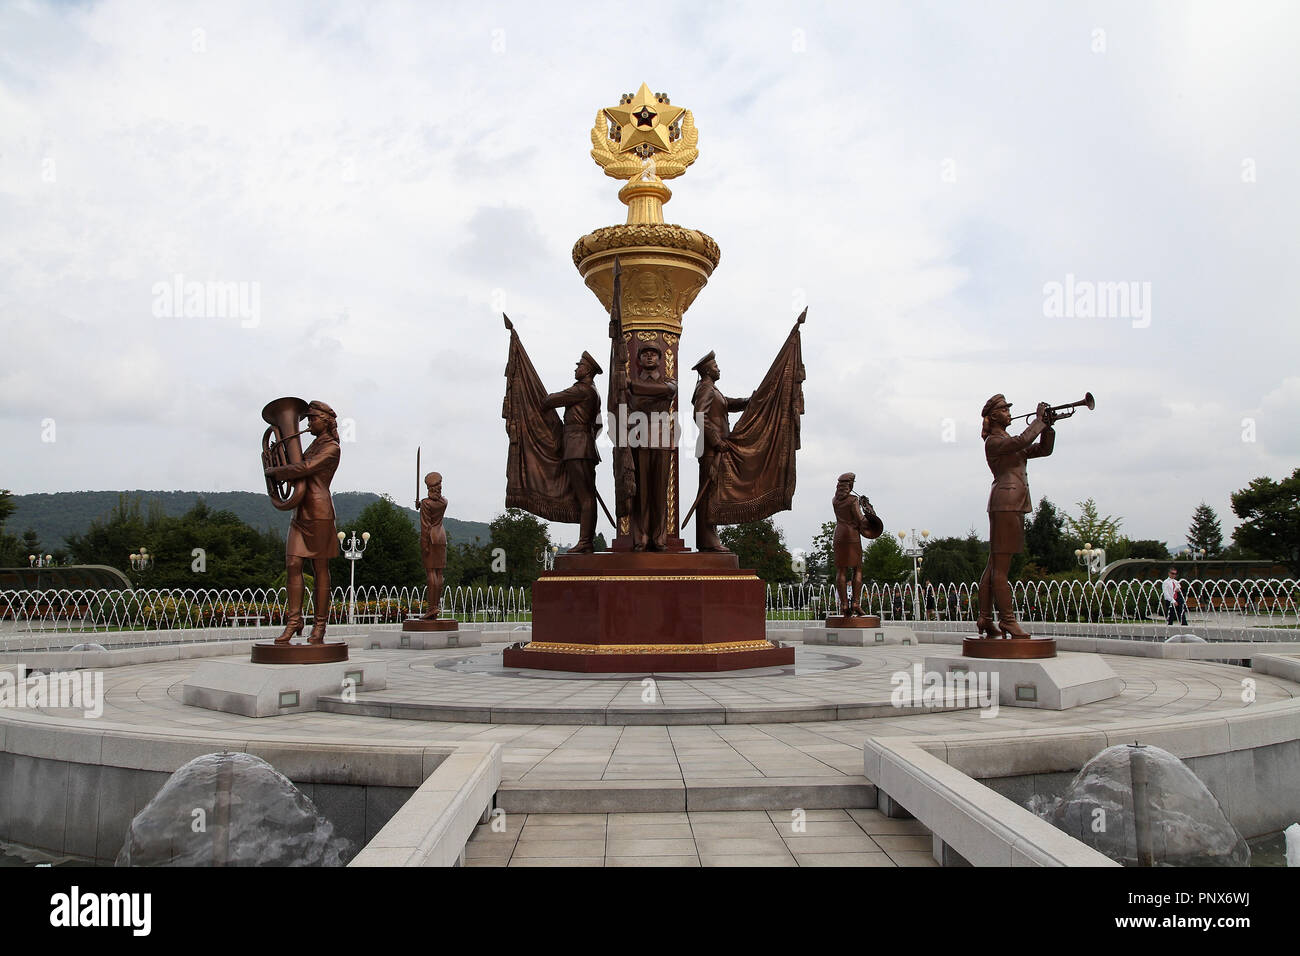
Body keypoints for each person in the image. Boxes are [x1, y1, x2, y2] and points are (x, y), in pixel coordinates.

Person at [977, 394, 1055, 638]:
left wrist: (1048, 428)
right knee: (1001, 568)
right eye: (1004, 409)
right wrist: (1039, 421)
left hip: (1011, 503)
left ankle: (985, 618)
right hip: (1006, 503)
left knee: (993, 566)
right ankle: (1008, 621)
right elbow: (1023, 440)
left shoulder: (1008, 441)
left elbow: (1043, 450)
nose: (1009, 412)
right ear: (992, 416)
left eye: (1008, 409)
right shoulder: (994, 441)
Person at [264, 400, 340, 644]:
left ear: (326, 422)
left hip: (319, 512)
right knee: (293, 564)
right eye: (306, 419)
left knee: (320, 569)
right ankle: (294, 620)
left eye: (312, 419)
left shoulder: (332, 448)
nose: (307, 423)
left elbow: (305, 468)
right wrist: (278, 453)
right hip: (300, 512)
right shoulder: (312, 445)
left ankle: (320, 626)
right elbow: (296, 464)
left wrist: (277, 471)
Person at [542, 351, 603, 552]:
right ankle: (586, 540)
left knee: (585, 497)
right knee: (585, 496)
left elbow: (550, 400)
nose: (576, 369)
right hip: (581, 446)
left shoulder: (583, 390)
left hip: (578, 448)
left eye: (580, 366)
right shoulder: (592, 391)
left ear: (588, 371)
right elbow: (598, 425)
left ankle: (586, 542)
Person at [691, 351, 751, 552]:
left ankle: (708, 539)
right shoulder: (706, 388)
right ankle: (708, 541)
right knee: (709, 494)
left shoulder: (712, 389)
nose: (719, 369)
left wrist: (750, 400)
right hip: (710, 450)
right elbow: (699, 415)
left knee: (711, 493)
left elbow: (727, 403)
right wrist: (716, 441)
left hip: (713, 448)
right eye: (716, 366)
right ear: (707, 370)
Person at [626, 344, 676, 550]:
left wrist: (631, 387)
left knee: (659, 490)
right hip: (639, 438)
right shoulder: (632, 384)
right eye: (644, 354)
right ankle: (641, 537)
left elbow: (663, 392)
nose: (649, 357)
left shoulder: (669, 382)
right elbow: (627, 409)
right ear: (638, 360)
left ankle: (659, 537)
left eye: (653, 354)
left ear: (660, 359)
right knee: (640, 491)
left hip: (661, 439)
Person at [830, 472, 883, 617]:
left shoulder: (835, 500)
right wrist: (868, 509)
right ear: (850, 484)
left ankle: (844, 605)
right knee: (857, 569)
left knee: (841, 570)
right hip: (852, 535)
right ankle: (855, 603)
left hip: (839, 535)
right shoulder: (853, 500)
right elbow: (861, 521)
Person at [419, 472, 448, 618]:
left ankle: (432, 608)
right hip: (441, 537)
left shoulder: (426, 503)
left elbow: (426, 526)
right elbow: (436, 504)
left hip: (431, 538)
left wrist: (424, 545)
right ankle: (436, 606)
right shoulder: (444, 502)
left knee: (431, 572)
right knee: (439, 573)